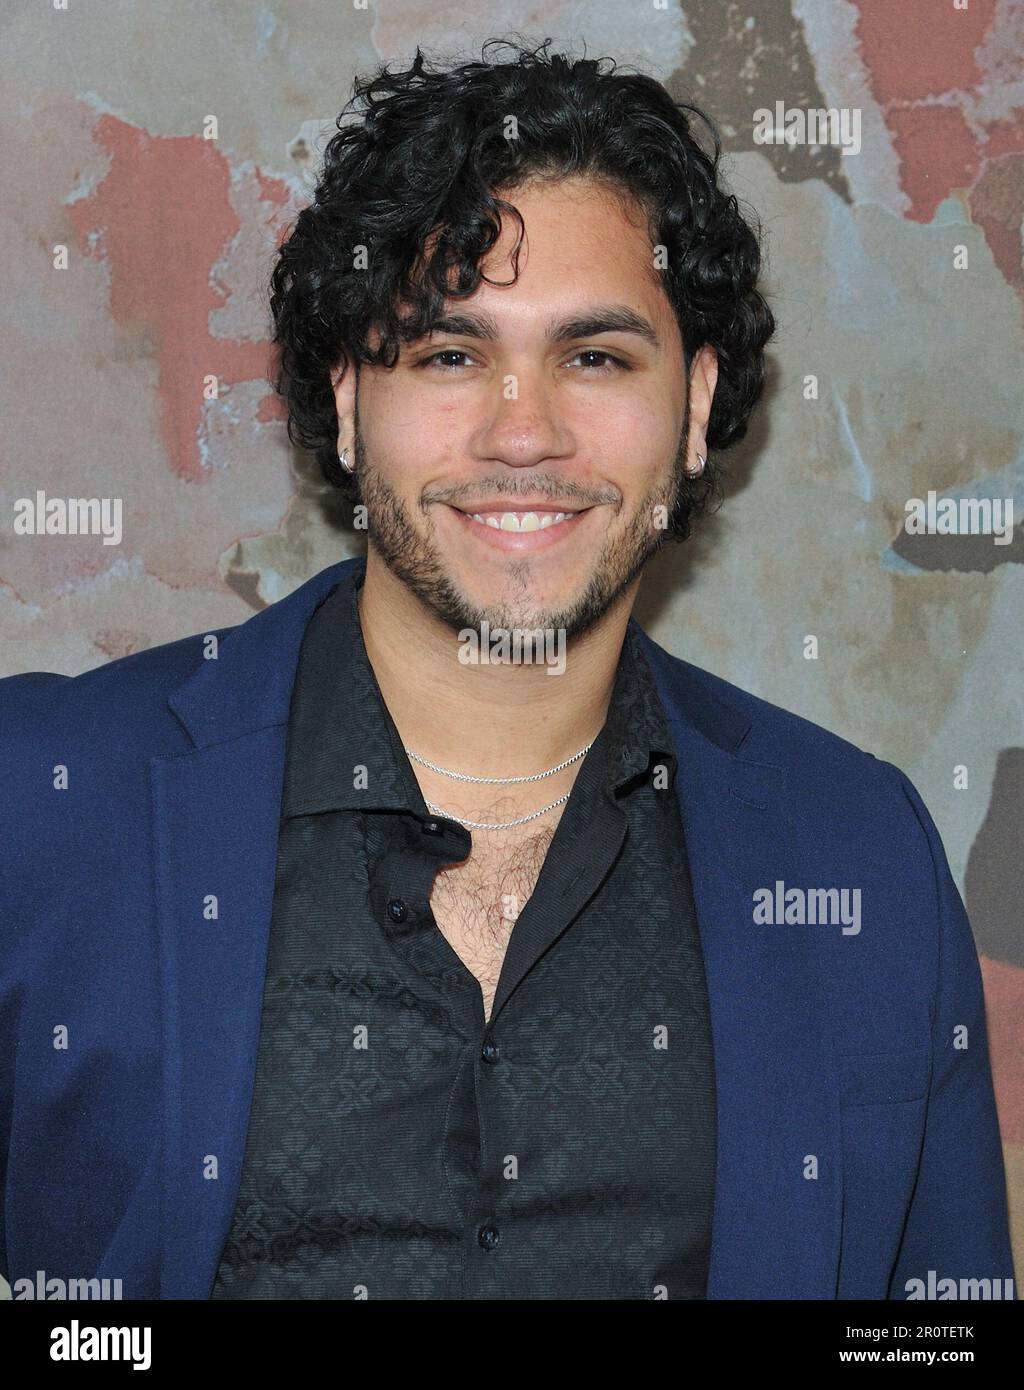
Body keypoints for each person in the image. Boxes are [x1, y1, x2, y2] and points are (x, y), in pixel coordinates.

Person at [0, 38, 1013, 1301]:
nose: (521, 431)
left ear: (693, 406)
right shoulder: (37, 803)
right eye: (446, 353)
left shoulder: (856, 853)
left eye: (595, 357)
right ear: (350, 398)